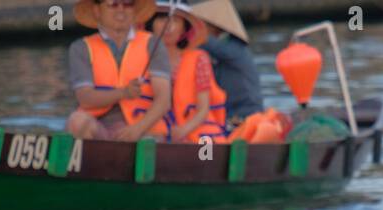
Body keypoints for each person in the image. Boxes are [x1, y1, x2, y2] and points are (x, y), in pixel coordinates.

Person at [66, 0, 172, 141]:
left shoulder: (153, 43)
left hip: (144, 127)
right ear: (97, 10)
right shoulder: (81, 47)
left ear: (134, 10)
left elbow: (163, 100)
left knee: (150, 141)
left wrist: (138, 129)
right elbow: (85, 98)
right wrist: (124, 93)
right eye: (113, 4)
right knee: (76, 121)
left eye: (127, 4)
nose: (121, 9)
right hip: (99, 127)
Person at [147, 1, 228, 143]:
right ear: (151, 24)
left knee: (206, 155)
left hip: (197, 129)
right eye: (162, 19)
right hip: (155, 129)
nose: (169, 27)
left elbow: (203, 109)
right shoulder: (141, 57)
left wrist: (183, 130)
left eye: (176, 20)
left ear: (184, 28)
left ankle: (205, 161)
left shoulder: (199, 58)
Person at [189, 0, 263, 126]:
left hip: (245, 113)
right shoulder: (218, 49)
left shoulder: (234, 48)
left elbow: (209, 44)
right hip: (228, 112)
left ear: (212, 27)